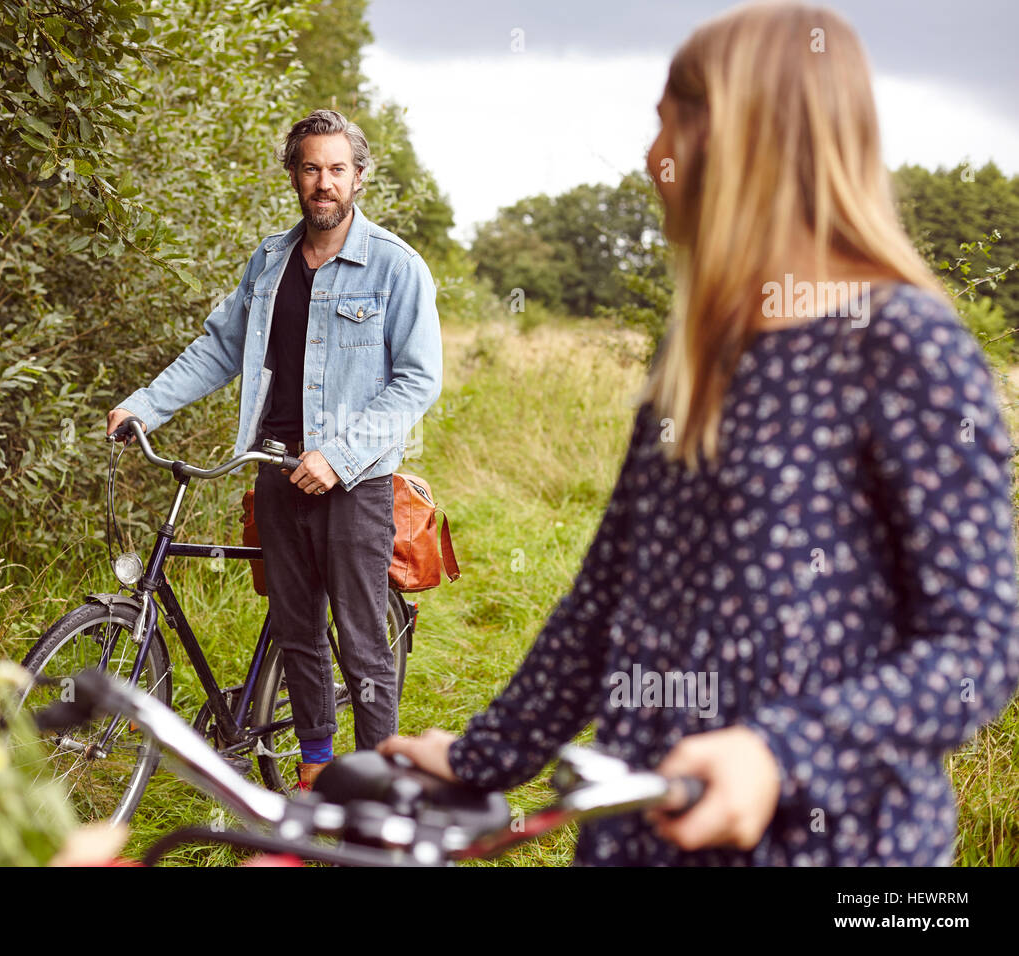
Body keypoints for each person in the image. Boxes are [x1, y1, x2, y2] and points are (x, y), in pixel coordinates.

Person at [380, 1, 1019, 865]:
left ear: (736, 135)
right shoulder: (697, 357)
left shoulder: (903, 345)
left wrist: (778, 750)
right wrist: (482, 759)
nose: (650, 159)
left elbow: (976, 645)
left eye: (665, 124)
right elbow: (602, 601)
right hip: (640, 837)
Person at [108, 109, 443, 791]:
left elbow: (417, 381)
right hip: (274, 471)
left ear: (359, 176)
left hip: (353, 485)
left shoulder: (395, 267)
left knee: (359, 645)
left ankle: (379, 794)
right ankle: (315, 768)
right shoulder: (270, 259)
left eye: (338, 169)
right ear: (294, 174)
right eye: (312, 168)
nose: (325, 183)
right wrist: (145, 404)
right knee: (296, 634)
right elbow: (220, 349)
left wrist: (340, 457)